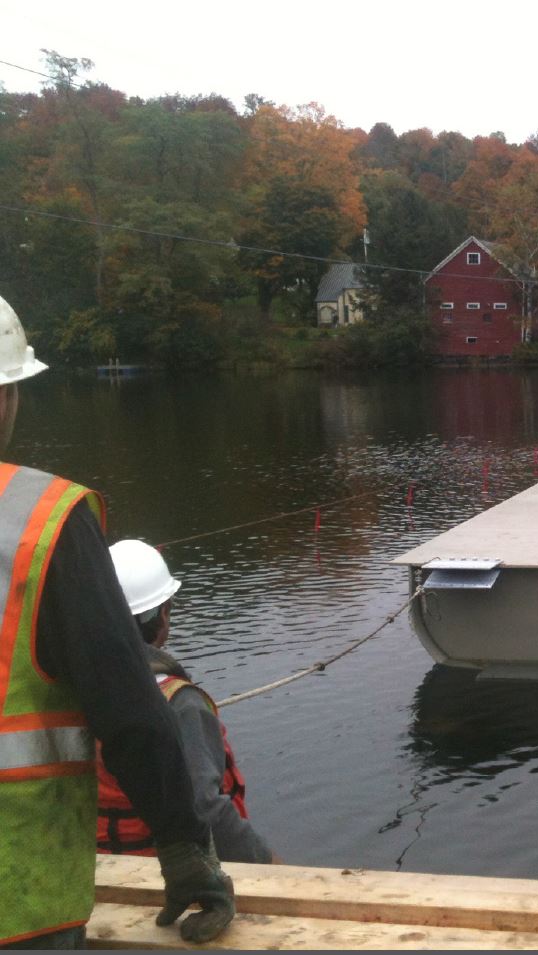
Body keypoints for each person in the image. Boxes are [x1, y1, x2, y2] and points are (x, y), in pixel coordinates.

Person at [0, 294, 233, 949]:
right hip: (19, 903)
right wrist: (185, 850)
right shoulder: (42, 522)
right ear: (5, 395)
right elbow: (127, 709)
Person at [97, 540, 277, 865]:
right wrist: (271, 867)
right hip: (174, 884)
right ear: (163, 614)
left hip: (102, 877)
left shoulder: (78, 693)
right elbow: (205, 810)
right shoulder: (181, 705)